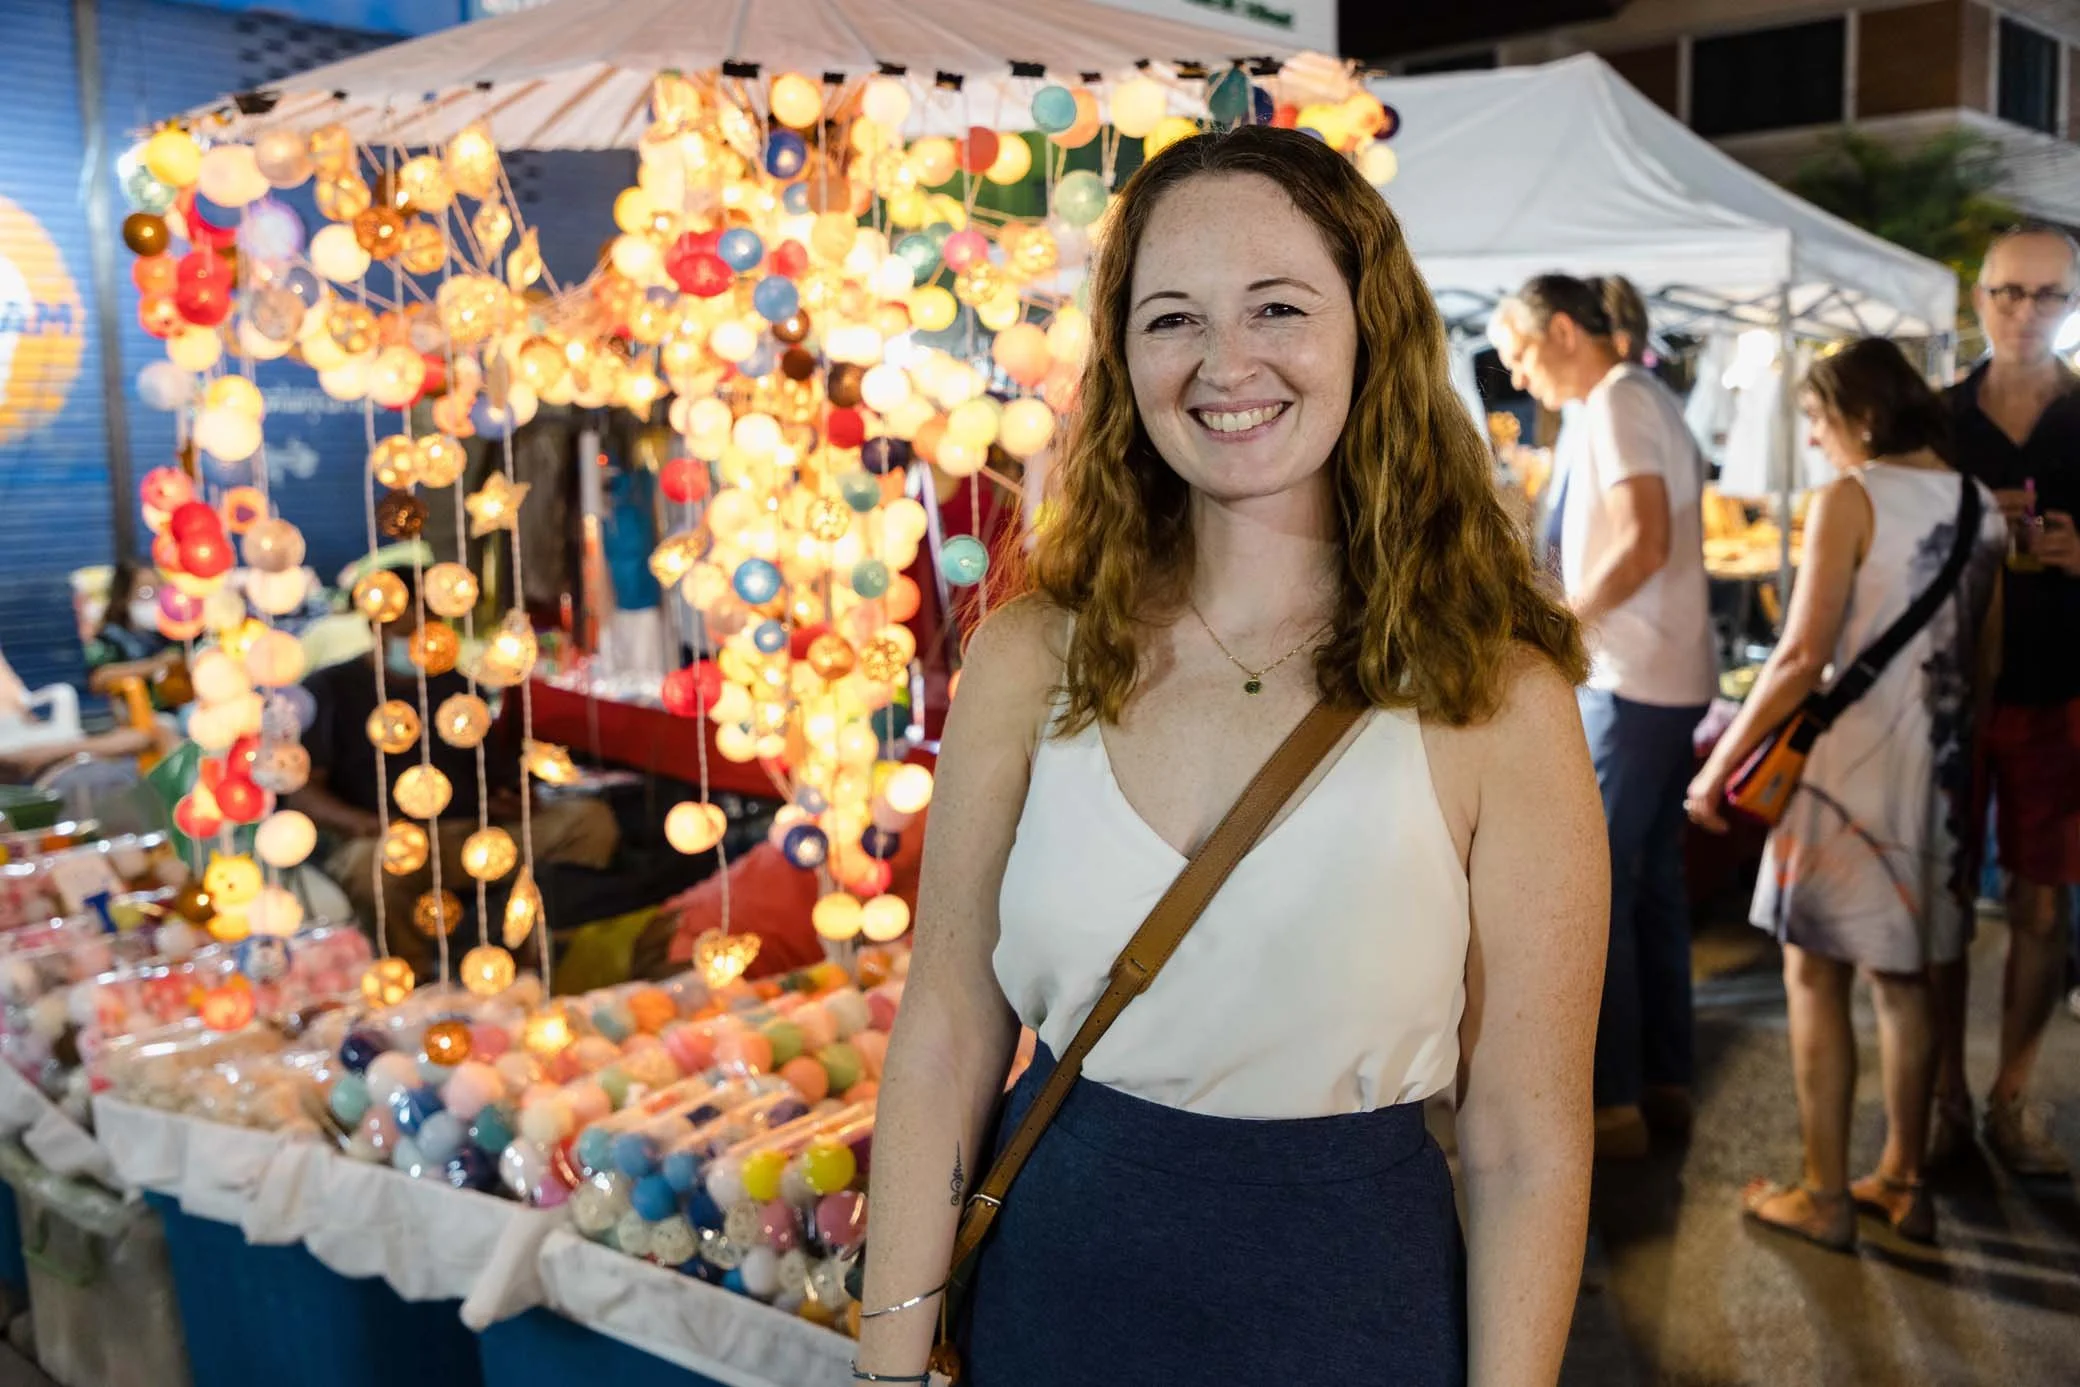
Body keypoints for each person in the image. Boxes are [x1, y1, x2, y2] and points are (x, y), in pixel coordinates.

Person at [852, 126, 1607, 1387]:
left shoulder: (1495, 699)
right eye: (1171, 319)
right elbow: (944, 1031)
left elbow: (1527, 1138)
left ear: (1370, 330)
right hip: (1051, 1302)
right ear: (1125, 353)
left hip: (1351, 1320)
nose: (1224, 363)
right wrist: (885, 1365)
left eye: (1277, 307)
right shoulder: (1030, 656)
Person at [1685, 339, 2007, 1248]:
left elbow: (1797, 655)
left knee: (1815, 970)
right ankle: (1904, 1178)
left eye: (1820, 421)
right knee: (1905, 982)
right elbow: (1986, 667)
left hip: (1846, 777)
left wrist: (1716, 768)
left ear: (1861, 416)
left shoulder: (1852, 498)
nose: (1819, 441)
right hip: (1935, 778)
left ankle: (1824, 1193)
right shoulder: (1981, 506)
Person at [1490, 274, 1716, 1158]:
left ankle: (1616, 1099)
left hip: (1632, 678)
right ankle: (1665, 1079)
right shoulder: (1620, 400)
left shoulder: (1620, 401)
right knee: (1651, 882)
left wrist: (1563, 620)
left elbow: (1643, 538)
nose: (1517, 372)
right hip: (1655, 673)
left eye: (1519, 352)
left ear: (1560, 330)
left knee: (1601, 888)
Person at [1937, 224, 2080, 1177]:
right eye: (2008, 292)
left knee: (2041, 905)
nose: (2024, 311)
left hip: (2062, 692)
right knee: (1943, 903)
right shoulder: (1940, 418)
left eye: (2047, 295)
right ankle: (1943, 1099)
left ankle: (2011, 1097)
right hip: (1951, 692)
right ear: (1980, 298)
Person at [289, 573, 619, 977]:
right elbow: (302, 790)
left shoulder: (458, 686)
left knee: (589, 821)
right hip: (391, 840)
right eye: (410, 628)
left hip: (475, 835)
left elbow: (494, 774)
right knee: (376, 870)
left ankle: (539, 951)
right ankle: (416, 981)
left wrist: (514, 800)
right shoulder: (332, 689)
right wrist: (366, 825)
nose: (423, 639)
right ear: (379, 626)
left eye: (433, 626)